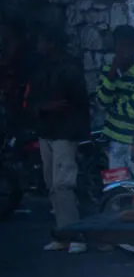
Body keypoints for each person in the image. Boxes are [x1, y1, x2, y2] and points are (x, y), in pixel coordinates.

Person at [24, 24, 90, 252]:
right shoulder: (42, 68)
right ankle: (62, 234)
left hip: (65, 132)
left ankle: (76, 235)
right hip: (48, 132)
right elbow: (32, 99)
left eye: (43, 41)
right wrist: (44, 108)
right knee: (53, 185)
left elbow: (76, 102)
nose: (39, 45)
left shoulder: (69, 68)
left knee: (63, 185)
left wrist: (53, 108)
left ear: (51, 43)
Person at [94, 24, 134, 175]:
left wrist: (112, 104)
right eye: (121, 47)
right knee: (118, 188)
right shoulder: (108, 72)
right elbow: (101, 101)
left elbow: (133, 110)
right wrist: (112, 76)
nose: (124, 52)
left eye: (128, 47)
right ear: (115, 49)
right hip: (114, 143)